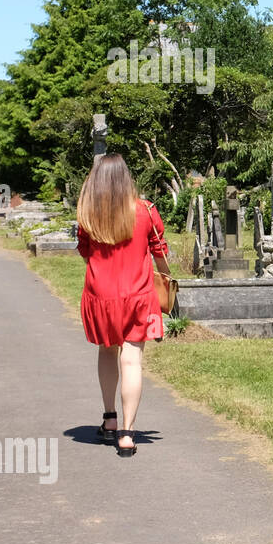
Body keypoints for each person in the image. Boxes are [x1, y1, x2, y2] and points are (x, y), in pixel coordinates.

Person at [75, 154, 171, 457]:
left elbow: (85, 252)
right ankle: (128, 435)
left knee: (106, 350)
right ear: (127, 177)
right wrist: (167, 279)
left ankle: (110, 419)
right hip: (138, 295)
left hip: (100, 295)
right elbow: (159, 252)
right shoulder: (146, 211)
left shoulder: (89, 213)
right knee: (132, 361)